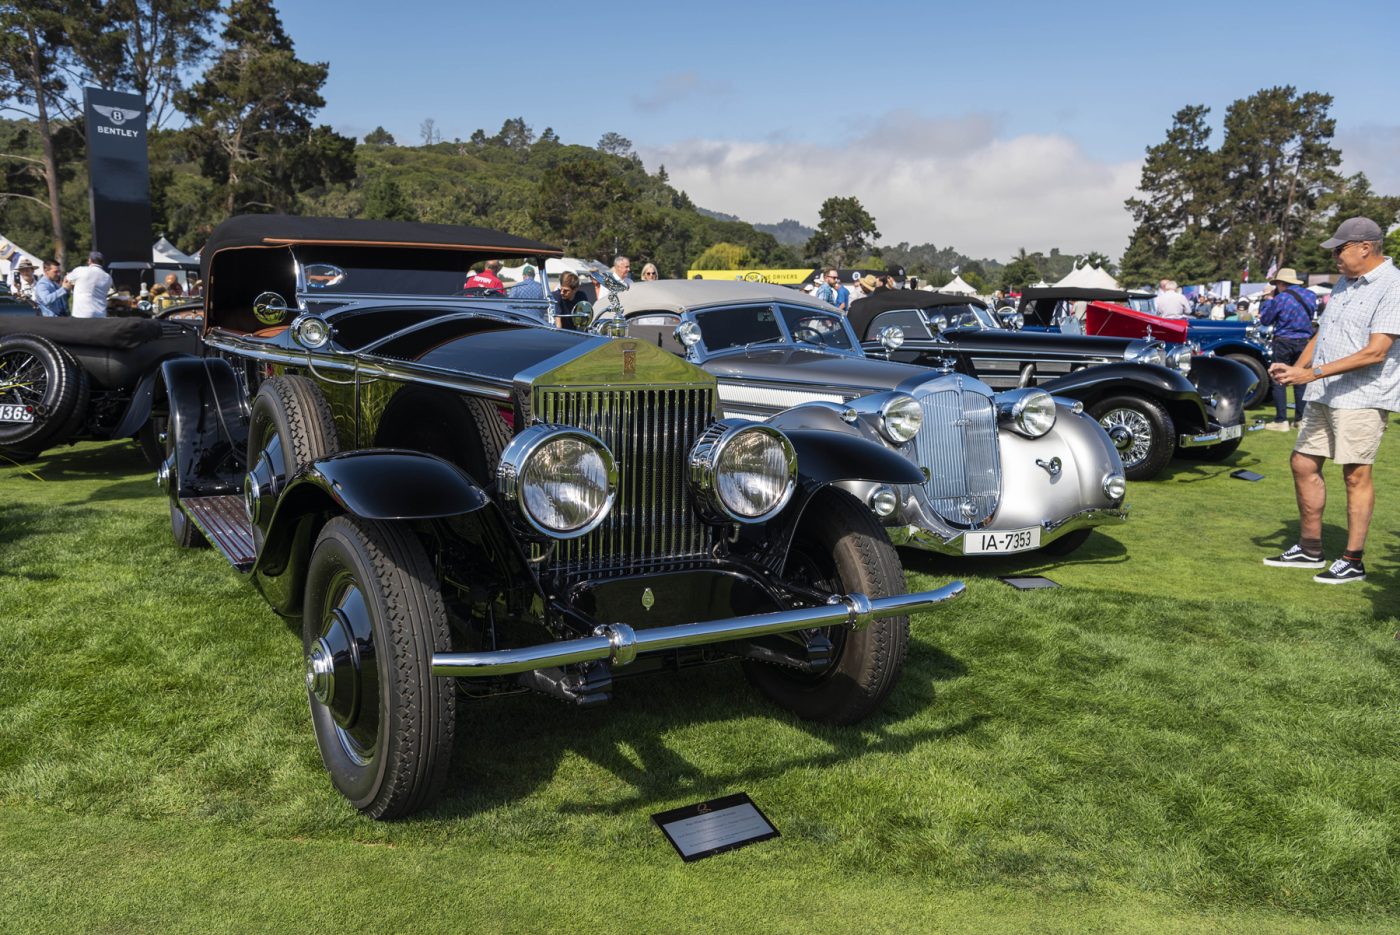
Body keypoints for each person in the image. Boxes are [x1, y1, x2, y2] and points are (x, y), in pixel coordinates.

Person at [1264, 217, 1400, 584]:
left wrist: (1311, 374)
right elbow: (1323, 333)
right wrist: (1296, 367)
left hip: (1363, 395)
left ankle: (1353, 559)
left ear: (1365, 248)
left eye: (1340, 249)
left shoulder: (1394, 285)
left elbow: (1376, 352)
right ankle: (1310, 549)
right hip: (1326, 392)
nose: (1335, 256)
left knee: (1355, 474)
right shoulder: (1344, 282)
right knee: (1302, 463)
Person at [1258, 267, 1317, 430]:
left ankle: (1281, 420)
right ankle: (1300, 419)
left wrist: (1269, 301)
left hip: (1283, 340)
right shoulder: (1311, 296)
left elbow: (1265, 320)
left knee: (1279, 379)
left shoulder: (1280, 299)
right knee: (1301, 379)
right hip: (1305, 341)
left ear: (1280, 283)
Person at [63, 251, 114, 318]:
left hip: (82, 314)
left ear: (89, 260)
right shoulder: (108, 277)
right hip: (100, 314)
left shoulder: (80, 270)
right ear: (102, 262)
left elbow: (66, 280)